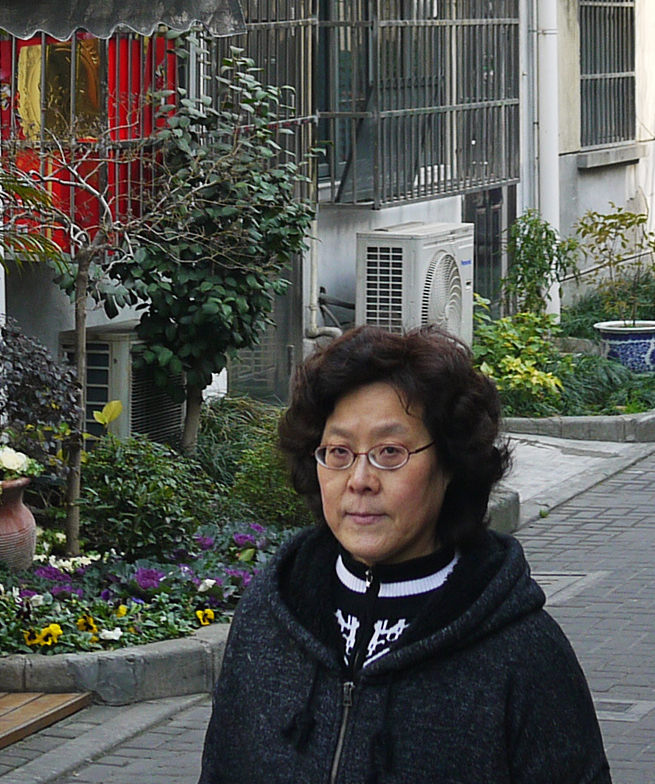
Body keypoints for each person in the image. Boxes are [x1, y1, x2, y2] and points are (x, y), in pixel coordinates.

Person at [200, 327, 610, 784]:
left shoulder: (523, 653)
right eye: (338, 452)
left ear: (450, 461)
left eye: (389, 452)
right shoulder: (268, 620)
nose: (359, 479)